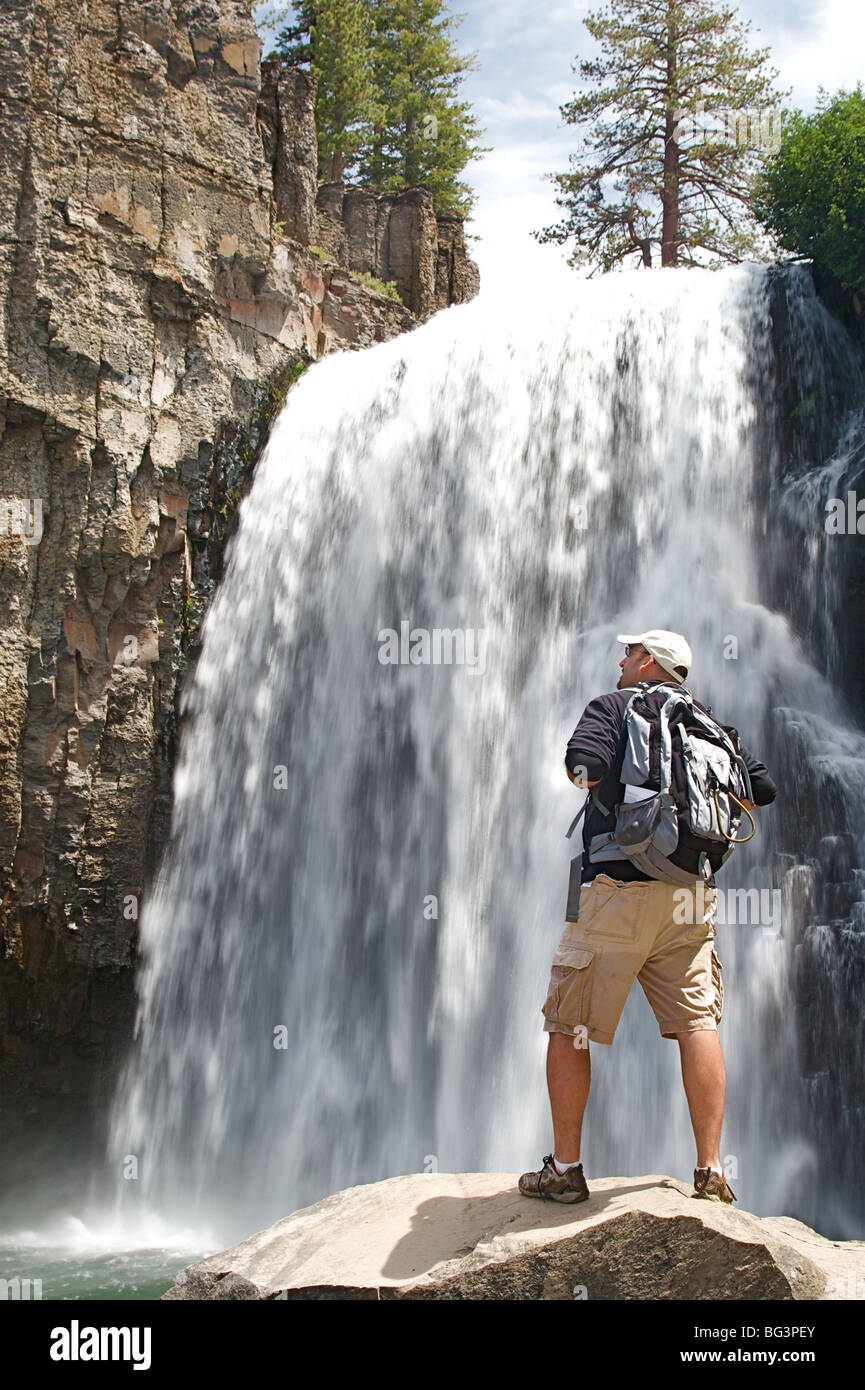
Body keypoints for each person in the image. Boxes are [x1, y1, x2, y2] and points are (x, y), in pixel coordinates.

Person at [519, 630, 777, 1206]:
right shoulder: (707, 722)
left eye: (630, 652)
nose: (621, 658)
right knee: (696, 1024)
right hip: (689, 897)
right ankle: (711, 1172)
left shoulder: (613, 707)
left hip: (618, 890)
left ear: (650, 664)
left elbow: (583, 765)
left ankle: (565, 1169)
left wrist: (600, 783)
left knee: (570, 1022)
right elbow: (762, 788)